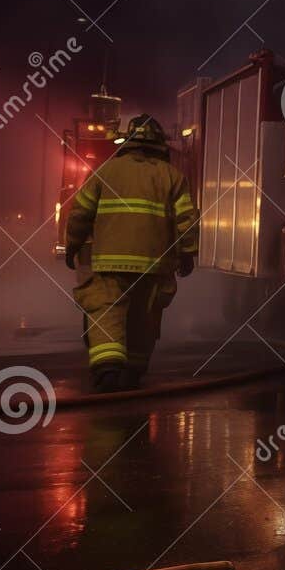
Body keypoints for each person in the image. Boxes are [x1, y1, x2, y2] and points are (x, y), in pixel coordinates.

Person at [65, 114, 199, 391]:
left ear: (127, 141)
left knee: (106, 313)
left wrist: (73, 245)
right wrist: (188, 253)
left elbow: (80, 213)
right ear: (160, 145)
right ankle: (134, 372)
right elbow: (187, 220)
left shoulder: (105, 171)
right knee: (143, 318)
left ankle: (107, 370)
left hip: (110, 265)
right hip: (154, 267)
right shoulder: (173, 176)